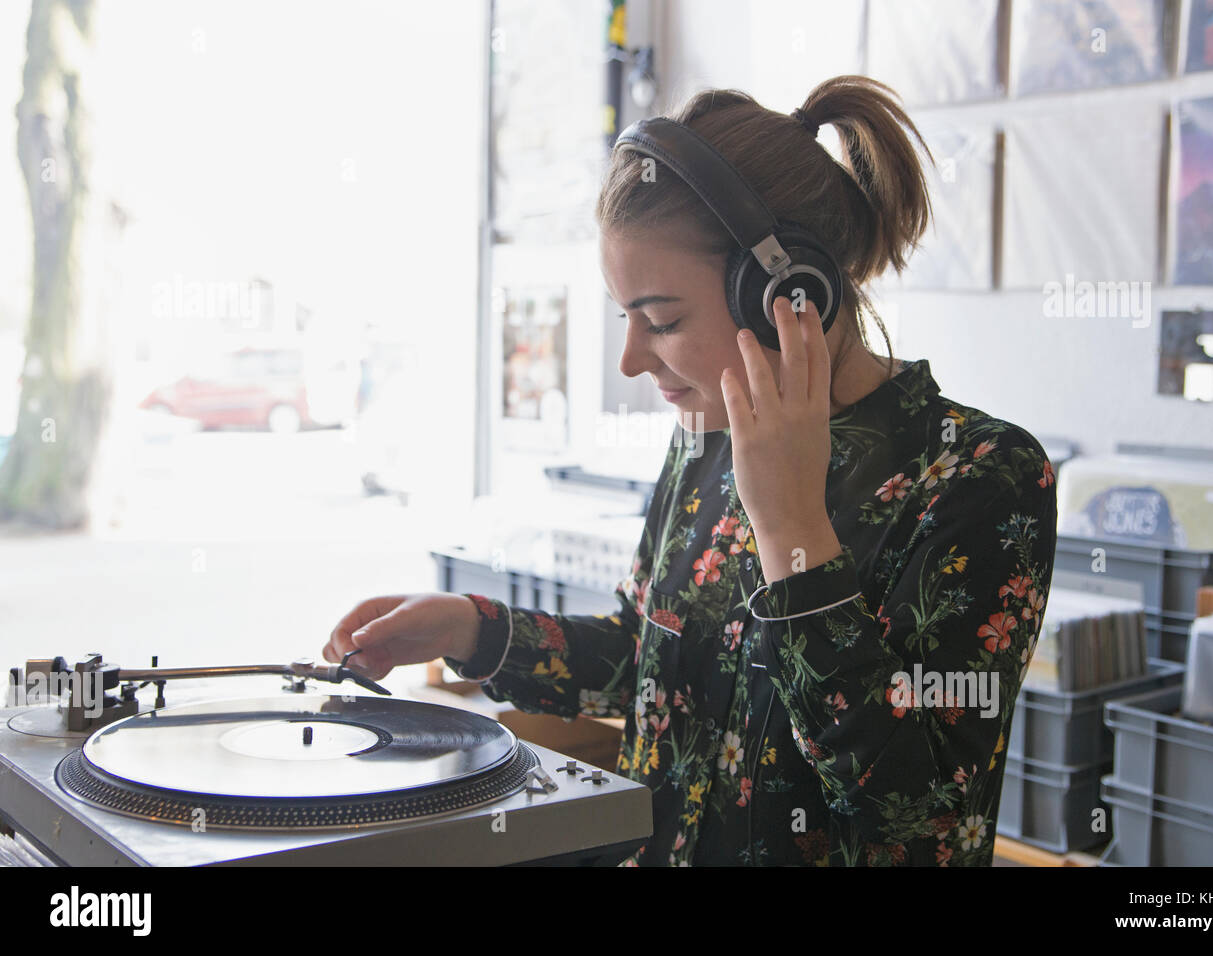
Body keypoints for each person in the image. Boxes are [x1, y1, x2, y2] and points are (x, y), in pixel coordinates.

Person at [325, 74, 1058, 866]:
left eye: (662, 320)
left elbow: (920, 819)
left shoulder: (982, 477)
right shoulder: (706, 435)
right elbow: (645, 663)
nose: (632, 358)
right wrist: (469, 630)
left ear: (787, 294)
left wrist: (793, 534)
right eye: (626, 316)